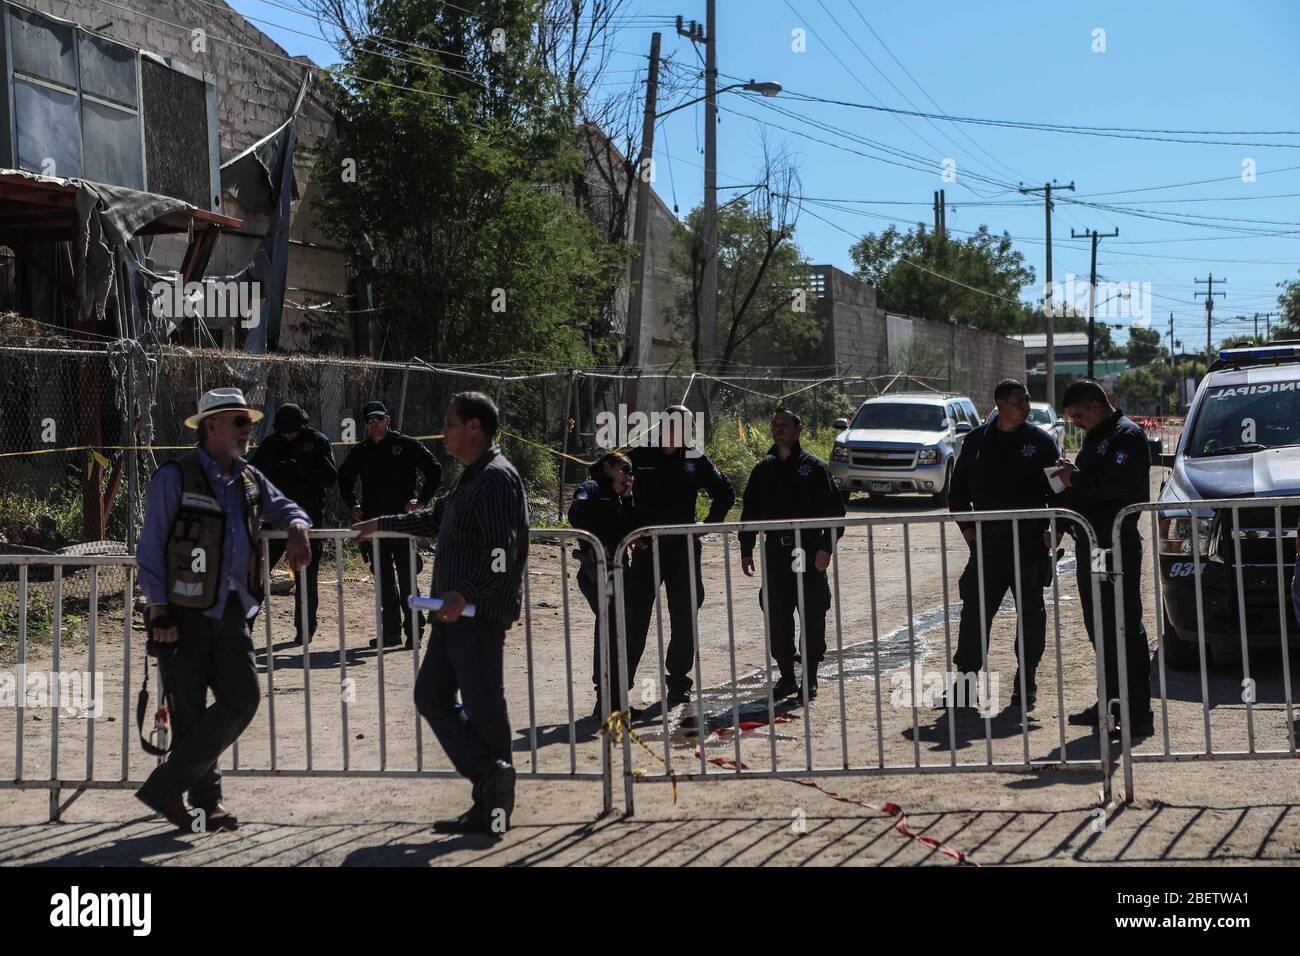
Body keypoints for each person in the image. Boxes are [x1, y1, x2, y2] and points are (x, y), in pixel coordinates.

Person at [135, 388, 312, 832]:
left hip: (233, 611)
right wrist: (158, 611)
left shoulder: (249, 476)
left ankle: (165, 786)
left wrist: (295, 526)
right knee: (190, 711)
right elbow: (151, 548)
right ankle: (205, 805)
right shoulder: (175, 476)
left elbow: (285, 505)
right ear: (210, 426)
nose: (247, 430)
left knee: (243, 697)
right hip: (181, 613)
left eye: (248, 422)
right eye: (239, 422)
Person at [354, 392, 528, 836]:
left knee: (483, 706)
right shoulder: (472, 477)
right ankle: (489, 781)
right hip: (453, 614)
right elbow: (436, 518)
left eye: (450, 423)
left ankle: (492, 801)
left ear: (474, 427)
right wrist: (381, 523)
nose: (443, 431)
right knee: (432, 696)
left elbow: (500, 553)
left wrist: (464, 593)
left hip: (475, 612)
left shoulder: (496, 478)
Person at [944, 379, 1059, 713]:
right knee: (974, 614)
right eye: (1020, 401)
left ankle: (1026, 682)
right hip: (988, 547)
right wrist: (968, 531)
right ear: (1000, 403)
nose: (1026, 406)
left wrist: (1056, 529)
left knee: (1031, 615)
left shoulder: (1040, 443)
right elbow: (957, 494)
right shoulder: (977, 442)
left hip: (1028, 547)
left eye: (1027, 401)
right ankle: (965, 685)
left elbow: (1057, 492)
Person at [1056, 379, 1155, 738]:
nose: (1075, 423)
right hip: (1093, 546)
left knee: (1125, 626)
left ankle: (1138, 712)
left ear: (1095, 406)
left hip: (1116, 546)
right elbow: (1092, 483)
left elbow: (1116, 487)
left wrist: (1074, 478)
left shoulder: (1126, 436)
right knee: (1100, 626)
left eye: (1077, 415)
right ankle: (1111, 702)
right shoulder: (1098, 435)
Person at [626, 405, 735, 706]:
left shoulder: (695, 457)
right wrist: (630, 531)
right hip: (647, 550)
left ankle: (678, 683)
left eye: (686, 426)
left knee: (684, 617)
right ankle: (621, 686)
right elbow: (612, 487)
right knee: (635, 618)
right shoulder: (639, 456)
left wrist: (707, 526)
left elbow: (725, 493)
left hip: (683, 550)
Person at [739, 408, 846, 700]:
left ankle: (809, 678)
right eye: (774, 424)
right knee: (777, 614)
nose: (778, 429)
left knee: (812, 611)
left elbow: (836, 513)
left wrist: (827, 547)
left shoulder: (814, 467)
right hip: (775, 551)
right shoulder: (764, 469)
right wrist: (746, 548)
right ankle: (786, 676)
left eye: (784, 424)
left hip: (808, 550)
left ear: (799, 428)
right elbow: (750, 511)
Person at [338, 399, 443, 648]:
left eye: (379, 418)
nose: (374, 424)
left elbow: (434, 470)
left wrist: (421, 501)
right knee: (383, 580)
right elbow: (344, 479)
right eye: (370, 420)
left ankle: (414, 631)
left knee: (408, 579)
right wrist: (353, 505)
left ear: (388, 420)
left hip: (402, 523)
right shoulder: (361, 451)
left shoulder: (405, 445)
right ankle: (391, 632)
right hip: (374, 524)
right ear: (365, 424)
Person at [567, 451, 648, 718]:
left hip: (620, 571)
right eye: (624, 469)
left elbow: (634, 528)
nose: (628, 476)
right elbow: (576, 515)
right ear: (606, 466)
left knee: (618, 631)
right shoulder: (591, 488)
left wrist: (628, 498)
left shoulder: (621, 497)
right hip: (595, 572)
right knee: (610, 629)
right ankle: (606, 699)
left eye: (631, 472)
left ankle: (613, 699)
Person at [249, 403, 337, 644]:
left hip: (307, 521)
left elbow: (330, 478)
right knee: (256, 574)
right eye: (283, 431)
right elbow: (251, 476)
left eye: (292, 431)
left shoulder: (317, 441)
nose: (287, 435)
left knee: (305, 576)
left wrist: (301, 469)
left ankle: (305, 629)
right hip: (273, 521)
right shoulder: (270, 443)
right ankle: (244, 627)